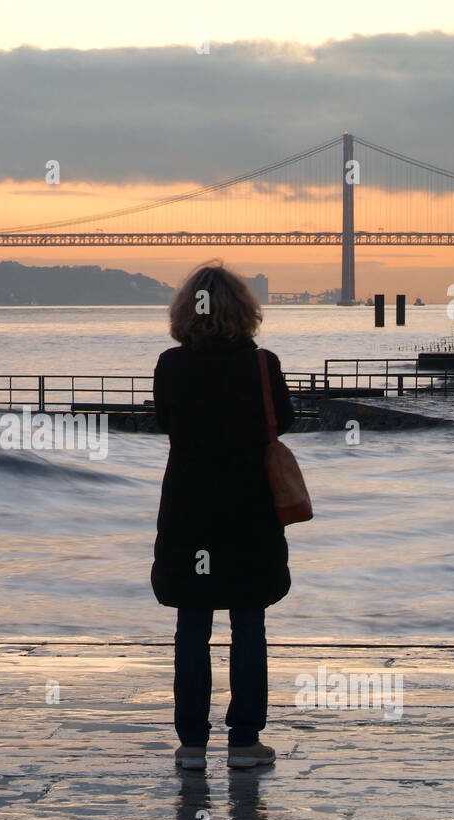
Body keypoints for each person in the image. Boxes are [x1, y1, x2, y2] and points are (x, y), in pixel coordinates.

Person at [150, 262, 295, 771]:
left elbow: (165, 421)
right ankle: (244, 742)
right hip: (249, 511)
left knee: (192, 624)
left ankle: (191, 744)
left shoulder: (170, 365)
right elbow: (285, 420)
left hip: (189, 511)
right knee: (248, 622)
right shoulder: (261, 364)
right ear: (245, 311)